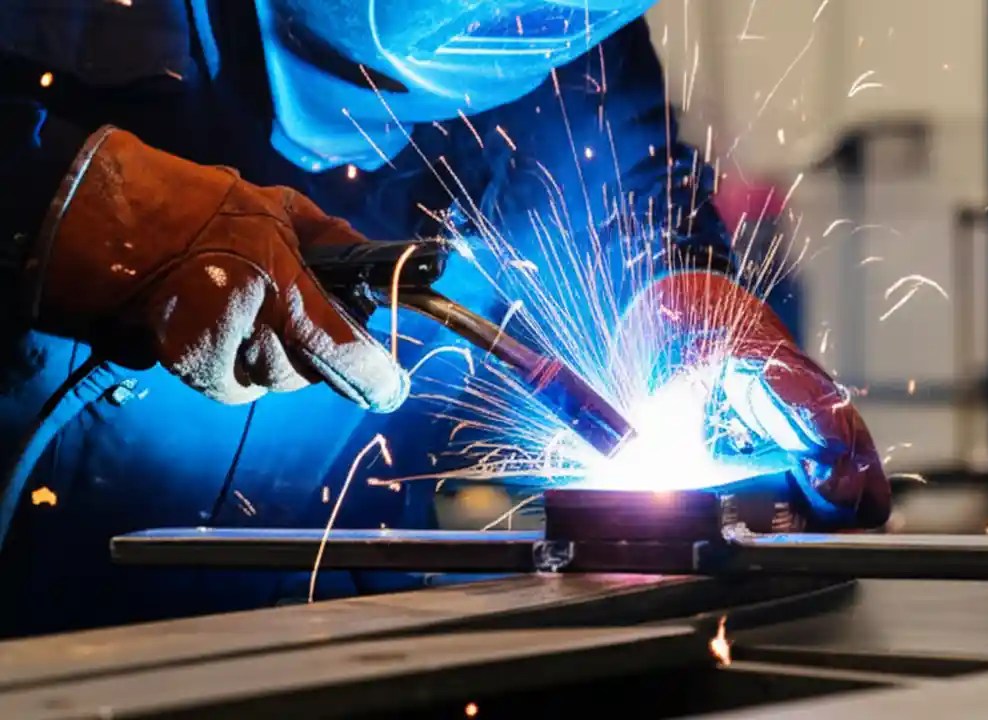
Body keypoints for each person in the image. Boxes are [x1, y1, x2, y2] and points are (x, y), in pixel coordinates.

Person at [0, 0, 888, 637]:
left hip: (319, 639)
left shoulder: (554, 24)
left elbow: (616, 166)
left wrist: (672, 287)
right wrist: (62, 198)